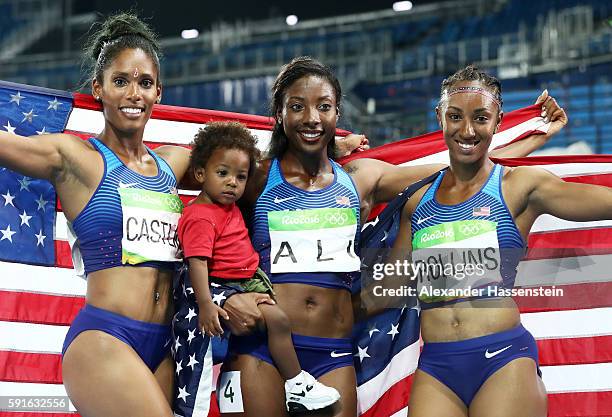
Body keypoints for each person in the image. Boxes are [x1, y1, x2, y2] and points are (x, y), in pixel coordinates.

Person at [215, 57, 567, 417]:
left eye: (324, 107)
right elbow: (190, 216)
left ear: (338, 114)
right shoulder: (254, 175)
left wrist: (534, 138)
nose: (311, 118)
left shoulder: (361, 178)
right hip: (261, 348)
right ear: (279, 112)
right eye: (296, 107)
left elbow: (460, 170)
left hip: (332, 353)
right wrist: (225, 297)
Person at [0, 12, 200, 417]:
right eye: (120, 81)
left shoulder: (173, 163)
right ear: (99, 89)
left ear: (158, 92)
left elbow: (246, 166)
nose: (133, 94)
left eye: (144, 83)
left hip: (163, 345)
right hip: (104, 340)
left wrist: (327, 151)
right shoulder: (77, 158)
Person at [384, 65, 611, 417]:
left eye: (480, 118)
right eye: (455, 116)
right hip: (436, 368)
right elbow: (386, 287)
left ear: (498, 120)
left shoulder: (519, 186)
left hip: (502, 360)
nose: (467, 130)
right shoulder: (417, 202)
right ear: (439, 117)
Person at [177, 121, 341, 413]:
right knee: (278, 321)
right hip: (228, 286)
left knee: (275, 319)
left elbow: (281, 156)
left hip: (250, 280)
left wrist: (342, 145)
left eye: (240, 177)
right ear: (200, 173)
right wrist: (206, 303)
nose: (232, 183)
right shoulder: (201, 216)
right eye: (223, 173)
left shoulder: (227, 207)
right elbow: (197, 263)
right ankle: (296, 384)